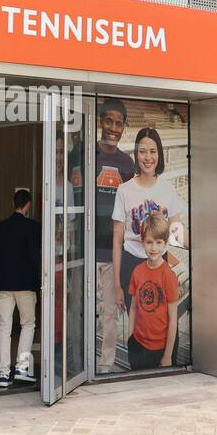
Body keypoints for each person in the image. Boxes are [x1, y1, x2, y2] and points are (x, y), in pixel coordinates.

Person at [111, 127, 188, 339]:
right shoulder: (124, 190)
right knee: (138, 330)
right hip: (131, 265)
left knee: (160, 325)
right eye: (143, 151)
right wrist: (118, 285)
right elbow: (117, 241)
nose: (148, 157)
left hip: (158, 265)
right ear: (136, 155)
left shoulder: (168, 189)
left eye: (153, 151)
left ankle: (164, 365)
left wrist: (204, 242)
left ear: (159, 154)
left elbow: (176, 234)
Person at [94, 98, 135, 373]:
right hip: (83, 252)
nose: (113, 127)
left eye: (118, 123)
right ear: (99, 122)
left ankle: (105, 365)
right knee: (81, 312)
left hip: (111, 253)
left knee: (109, 313)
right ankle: (78, 361)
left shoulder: (126, 164)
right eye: (108, 121)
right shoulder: (87, 154)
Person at [0, 189, 40, 389]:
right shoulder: (32, 227)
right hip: (26, 284)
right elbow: (34, 257)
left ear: (13, 203)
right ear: (28, 205)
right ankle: (21, 369)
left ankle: (3, 374)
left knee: (4, 327)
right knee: (28, 324)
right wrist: (40, 281)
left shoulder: (0, 227)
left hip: (2, 284)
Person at [126, 213, 179, 370]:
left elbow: (173, 319)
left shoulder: (168, 276)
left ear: (165, 243)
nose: (154, 248)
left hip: (160, 349)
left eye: (158, 242)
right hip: (138, 345)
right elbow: (134, 307)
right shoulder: (137, 271)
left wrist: (168, 355)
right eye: (149, 242)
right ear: (142, 242)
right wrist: (130, 336)